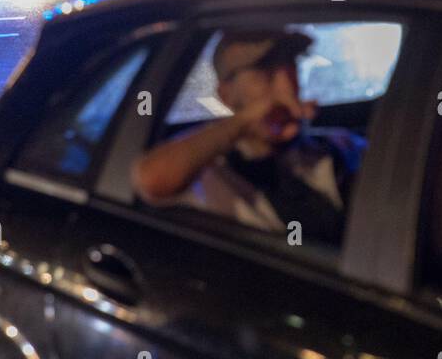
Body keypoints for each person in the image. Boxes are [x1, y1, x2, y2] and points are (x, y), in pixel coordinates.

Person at [132, 29, 365, 243]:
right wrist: (244, 122)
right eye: (266, 72)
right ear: (226, 94)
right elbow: (151, 179)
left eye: (291, 66)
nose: (288, 88)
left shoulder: (335, 146)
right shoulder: (209, 173)